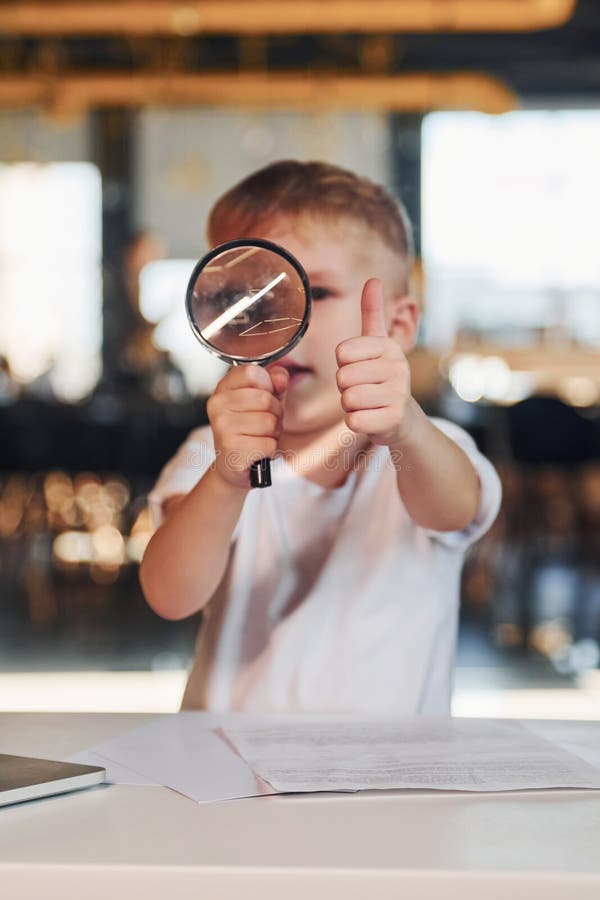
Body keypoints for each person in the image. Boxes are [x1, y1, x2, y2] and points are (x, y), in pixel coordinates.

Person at [140, 160, 501, 714]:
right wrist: (227, 479)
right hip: (231, 757)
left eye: (318, 291)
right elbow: (170, 596)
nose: (278, 320)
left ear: (398, 327)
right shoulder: (212, 450)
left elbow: (454, 511)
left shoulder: (424, 445)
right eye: (245, 296)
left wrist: (406, 427)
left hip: (391, 763)